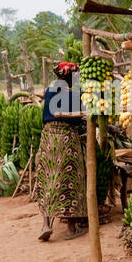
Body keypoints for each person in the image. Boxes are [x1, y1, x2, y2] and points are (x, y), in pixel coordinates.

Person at [32, 62, 88, 242]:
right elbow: (79, 119)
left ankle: (46, 225)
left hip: (48, 138)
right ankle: (71, 228)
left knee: (48, 178)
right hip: (66, 138)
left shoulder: (49, 91)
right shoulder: (74, 93)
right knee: (70, 179)